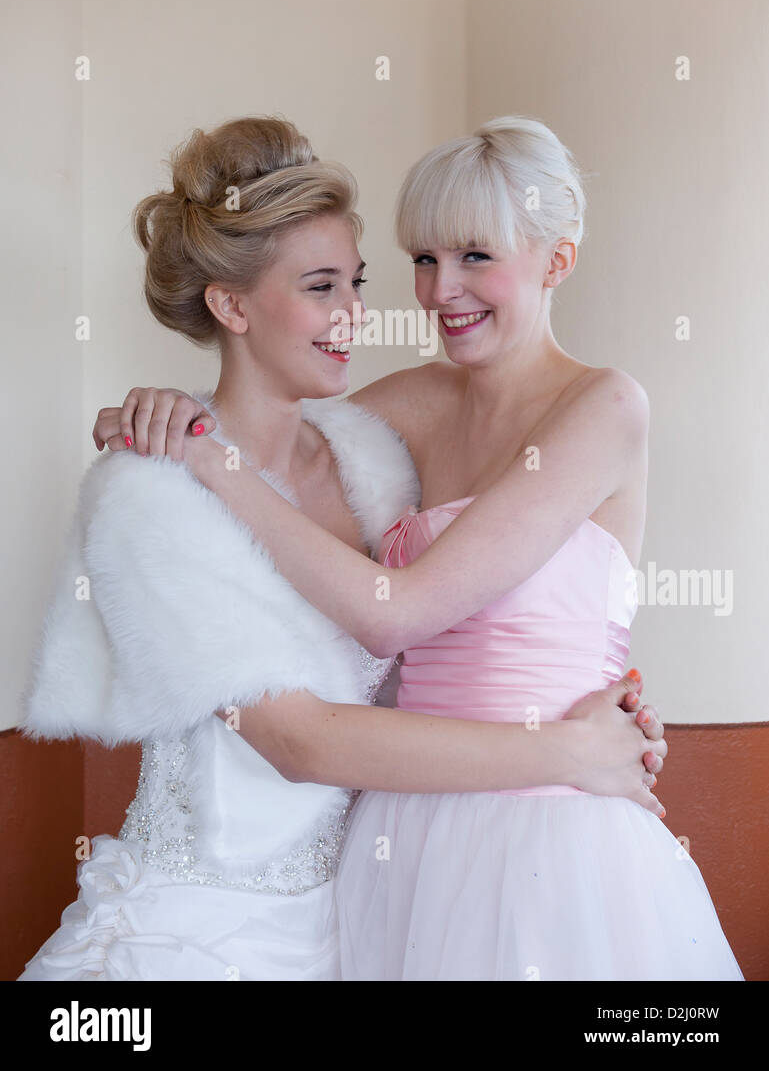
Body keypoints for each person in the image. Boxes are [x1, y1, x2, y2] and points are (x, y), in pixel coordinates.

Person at [19, 117, 664, 983]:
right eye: (323, 286)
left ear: (556, 260)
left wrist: (598, 701)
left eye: (354, 283)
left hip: (372, 901)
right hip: (213, 925)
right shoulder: (177, 486)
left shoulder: (369, 456)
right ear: (231, 302)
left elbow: (433, 632)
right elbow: (305, 738)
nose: (374, 309)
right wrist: (168, 425)